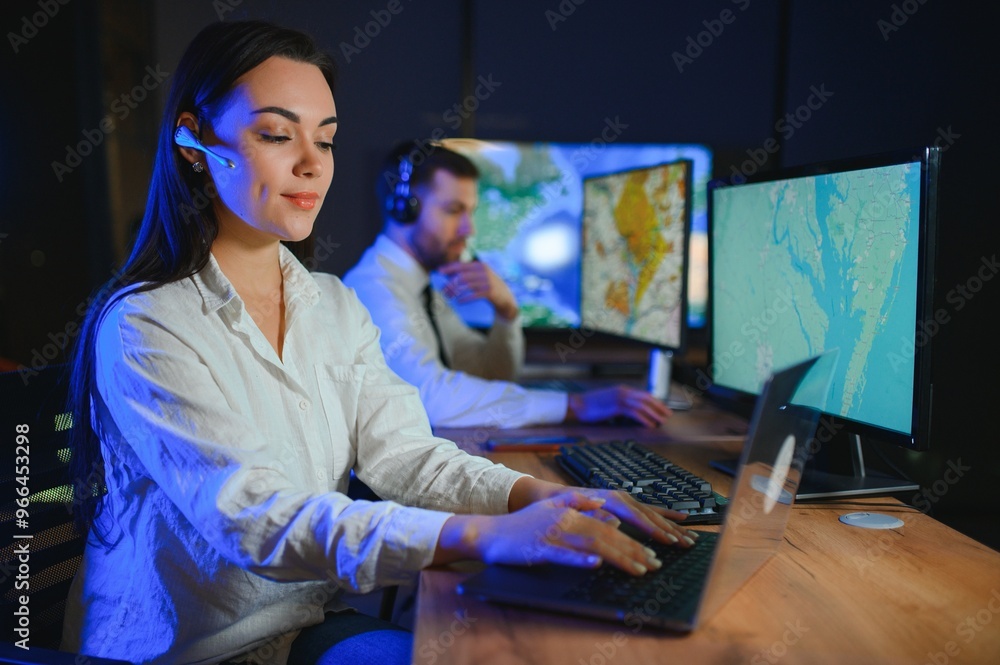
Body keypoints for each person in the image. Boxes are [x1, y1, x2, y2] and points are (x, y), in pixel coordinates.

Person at [62, 20, 696, 665]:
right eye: (277, 134)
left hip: (306, 622)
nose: (311, 163)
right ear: (195, 143)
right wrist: (486, 536)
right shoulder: (146, 324)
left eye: (326, 139)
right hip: (192, 650)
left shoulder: (333, 304)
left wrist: (542, 498)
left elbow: (406, 455)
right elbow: (255, 520)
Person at [342, 141, 673, 429]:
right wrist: (577, 406)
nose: (468, 229)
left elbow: (489, 375)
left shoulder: (422, 290)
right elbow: (431, 399)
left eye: (471, 212)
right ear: (404, 209)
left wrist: (506, 311)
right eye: (454, 211)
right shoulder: (375, 292)